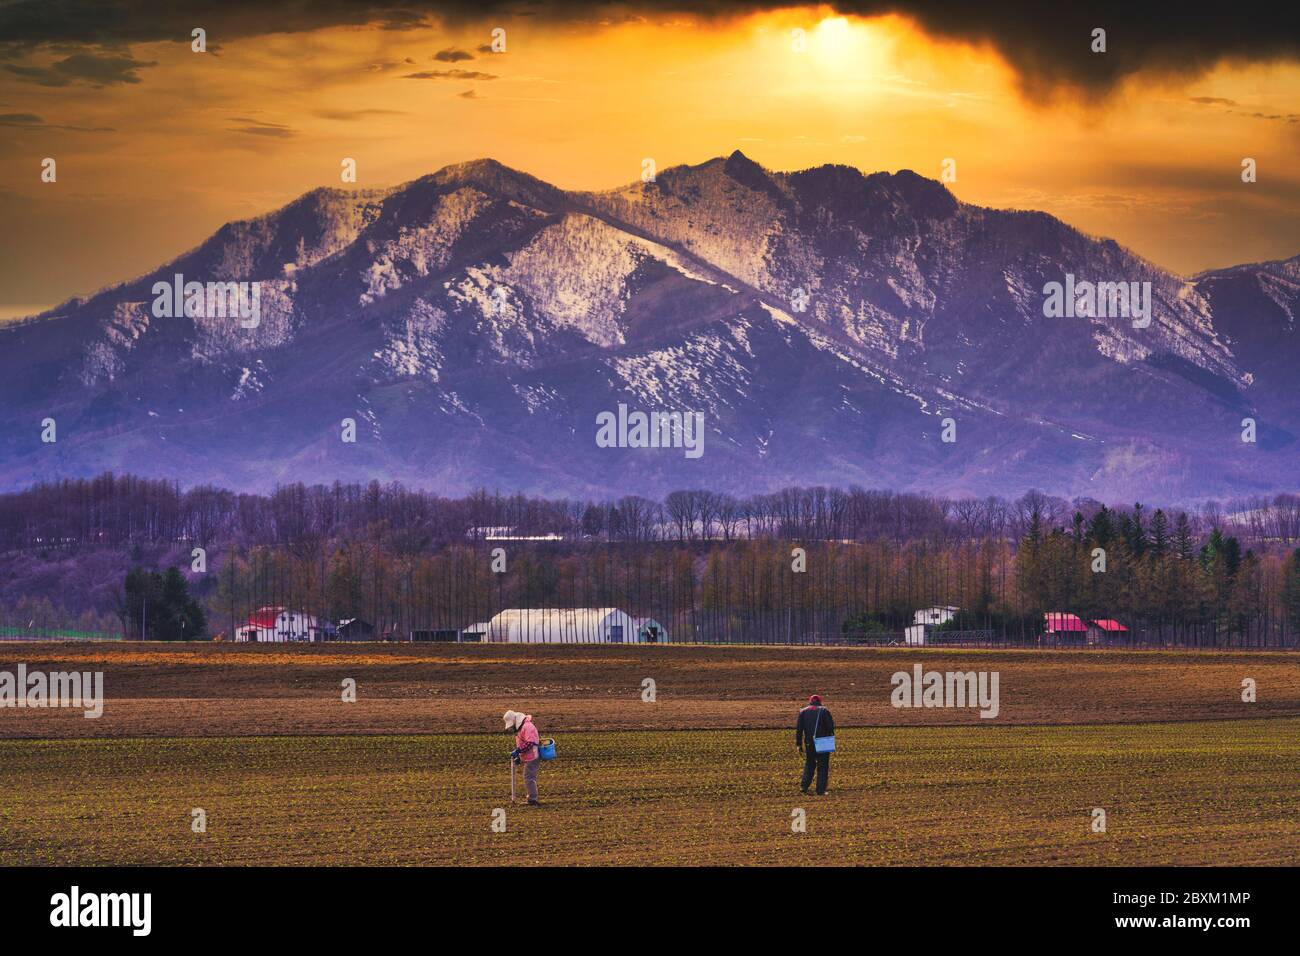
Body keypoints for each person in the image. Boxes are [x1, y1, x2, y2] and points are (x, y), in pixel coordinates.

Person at [795, 694, 834, 795]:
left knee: (809, 764)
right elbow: (830, 727)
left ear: (810, 701)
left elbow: (799, 730)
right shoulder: (824, 711)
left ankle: (804, 787)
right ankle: (820, 790)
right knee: (823, 766)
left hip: (809, 743)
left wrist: (798, 744)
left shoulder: (803, 712)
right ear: (820, 701)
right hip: (822, 742)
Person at [504, 709, 542, 806]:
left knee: (529, 777)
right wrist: (519, 756)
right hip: (528, 756)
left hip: (533, 756)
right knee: (528, 777)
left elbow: (530, 743)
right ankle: (532, 798)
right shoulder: (521, 729)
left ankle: (533, 799)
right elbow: (523, 743)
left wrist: (518, 751)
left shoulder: (527, 727)